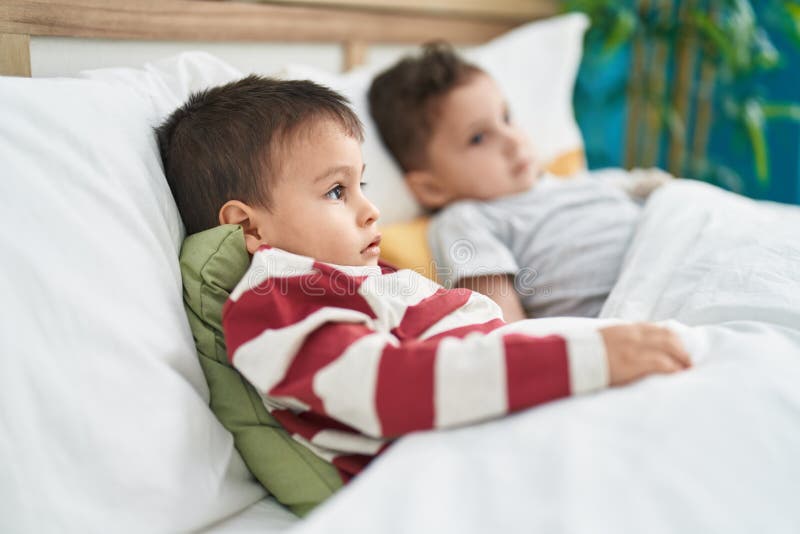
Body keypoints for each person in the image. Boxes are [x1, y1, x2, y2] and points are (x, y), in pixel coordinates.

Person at [156, 74, 690, 482]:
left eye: (361, 183)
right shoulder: (276, 300)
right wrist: (586, 359)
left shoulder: (356, 280)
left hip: (517, 419)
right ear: (249, 227)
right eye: (336, 192)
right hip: (466, 463)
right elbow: (391, 386)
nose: (371, 211)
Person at [368, 43, 669, 322]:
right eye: (478, 138)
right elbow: (507, 329)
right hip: (647, 304)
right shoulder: (467, 220)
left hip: (673, 241)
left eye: (506, 117)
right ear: (432, 188)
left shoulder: (572, 182)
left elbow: (656, 190)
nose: (512, 140)